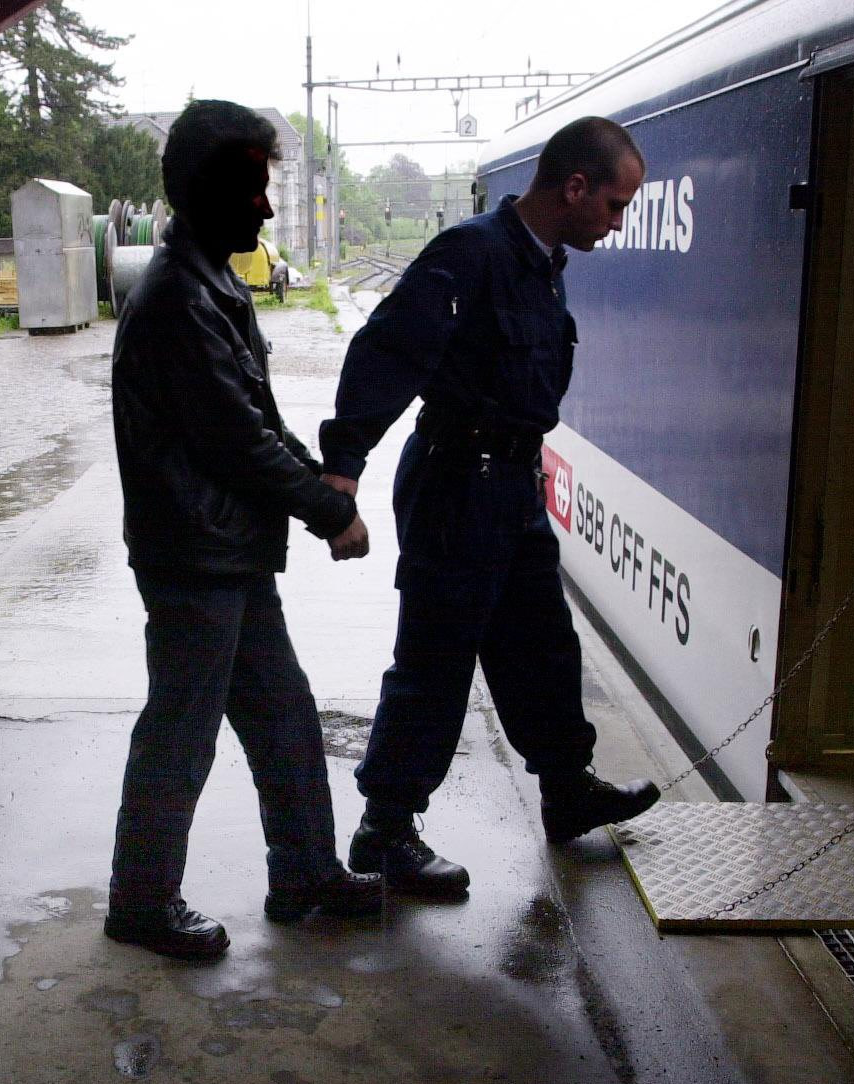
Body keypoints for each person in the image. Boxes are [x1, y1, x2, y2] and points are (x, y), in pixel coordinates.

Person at [318, 116, 662, 895]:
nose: (617, 222)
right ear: (574, 187)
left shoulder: (545, 264)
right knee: (436, 660)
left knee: (541, 642)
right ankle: (386, 829)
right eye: (613, 204)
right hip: (456, 481)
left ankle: (567, 790)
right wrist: (343, 470)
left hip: (511, 482)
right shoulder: (471, 253)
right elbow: (387, 351)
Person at [105, 100, 382, 960]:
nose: (267, 208)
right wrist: (330, 507)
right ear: (209, 191)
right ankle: (142, 904)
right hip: (196, 555)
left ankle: (303, 871)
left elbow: (258, 419)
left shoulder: (210, 286)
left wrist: (323, 485)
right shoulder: (180, 300)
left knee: (283, 715)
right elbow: (237, 439)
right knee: (181, 732)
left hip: (222, 551)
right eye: (256, 189)